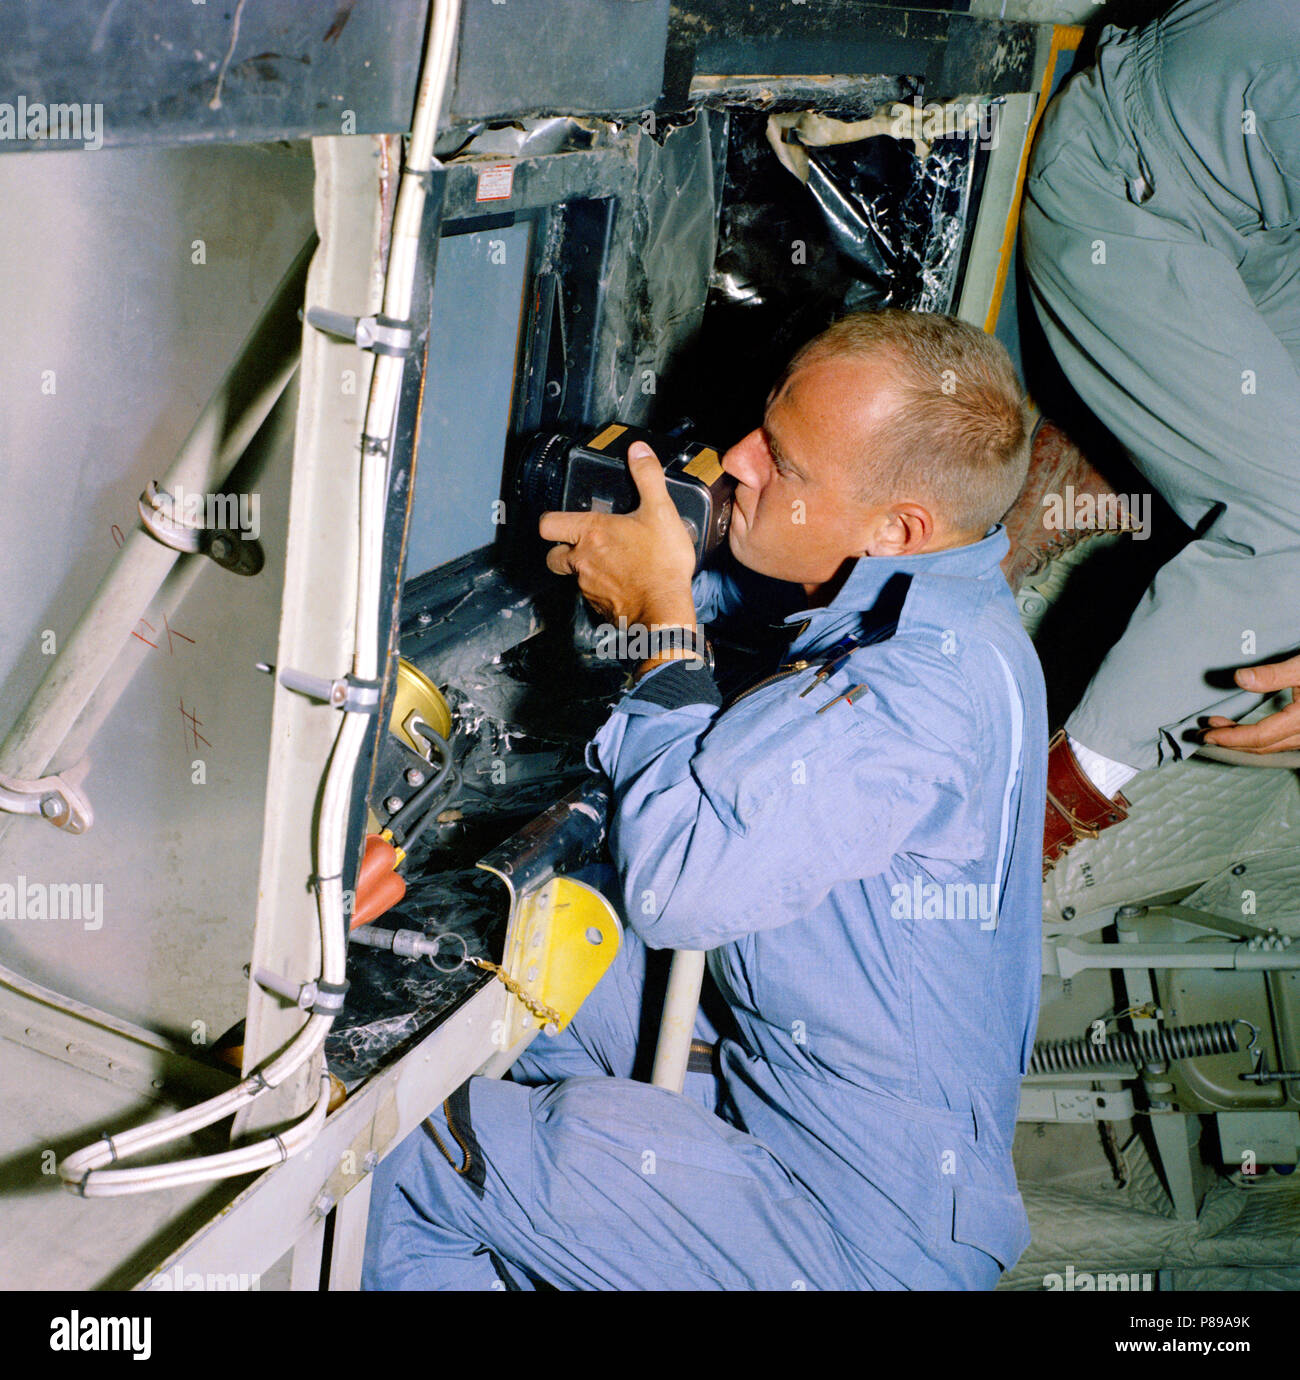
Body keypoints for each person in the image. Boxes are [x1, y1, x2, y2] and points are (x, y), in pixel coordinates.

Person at [361, 309, 1047, 1291]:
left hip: (853, 1234)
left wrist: (655, 622)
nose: (738, 460)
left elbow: (681, 884)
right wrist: (661, 584)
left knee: (390, 1150)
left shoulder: (912, 703)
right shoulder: (940, 605)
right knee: (493, 969)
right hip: (789, 1080)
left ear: (899, 529)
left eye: (785, 464)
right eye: (763, 426)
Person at [1021, 0, 1300, 870]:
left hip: (1265, 228)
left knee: (1269, 653)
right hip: (1130, 183)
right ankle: (1027, 815)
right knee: (1295, 529)